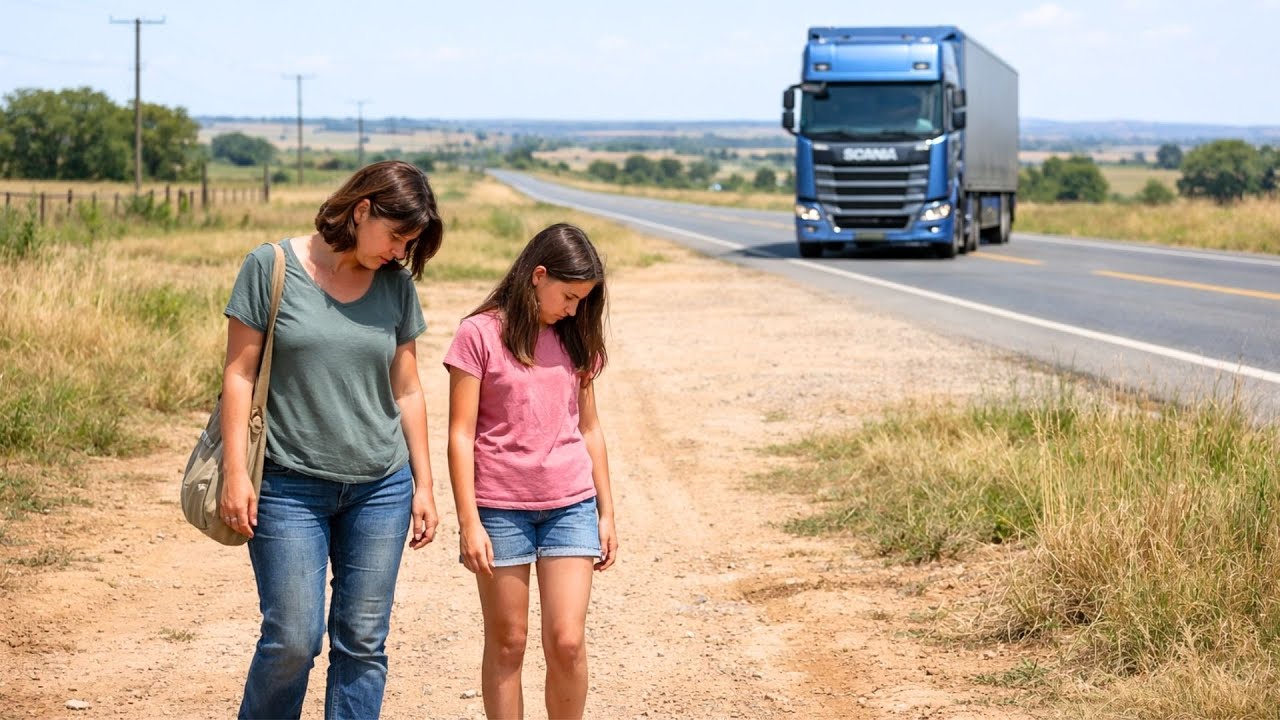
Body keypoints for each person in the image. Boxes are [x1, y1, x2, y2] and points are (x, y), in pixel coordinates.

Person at [218, 159, 445, 719]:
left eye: (409, 243)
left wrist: (424, 483)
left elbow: (408, 389)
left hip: (381, 489)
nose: (398, 252)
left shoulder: (395, 286)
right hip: (287, 487)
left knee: (363, 643)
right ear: (362, 209)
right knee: (293, 639)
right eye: (396, 237)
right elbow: (239, 374)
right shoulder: (269, 266)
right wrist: (235, 473)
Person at [443, 223, 618, 720]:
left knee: (566, 641)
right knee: (508, 643)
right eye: (569, 296)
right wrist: (469, 521)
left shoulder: (578, 338)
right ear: (537, 276)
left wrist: (606, 512)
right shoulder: (477, 334)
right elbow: (459, 434)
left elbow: (590, 428)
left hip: (571, 506)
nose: (575, 309)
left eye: (584, 299)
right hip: (499, 511)